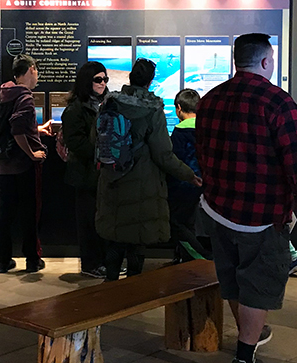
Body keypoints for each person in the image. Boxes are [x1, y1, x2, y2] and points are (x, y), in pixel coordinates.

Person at [196, 33, 297, 363]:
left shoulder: (210, 100)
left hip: (217, 210)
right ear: (266, 61)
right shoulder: (278, 103)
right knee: (259, 284)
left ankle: (252, 332)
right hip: (262, 217)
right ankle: (244, 360)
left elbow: (203, 154)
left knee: (233, 279)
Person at [96, 58, 198, 280]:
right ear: (150, 81)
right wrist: (189, 175)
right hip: (141, 183)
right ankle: (133, 288)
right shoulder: (152, 109)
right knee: (137, 239)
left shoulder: (111, 103)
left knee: (115, 237)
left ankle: (110, 285)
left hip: (113, 177)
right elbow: (163, 154)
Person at [0, 54, 51, 273]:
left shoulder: (6, 94)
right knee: (31, 212)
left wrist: (36, 130)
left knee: (5, 213)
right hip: (24, 166)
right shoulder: (25, 97)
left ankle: (2, 260)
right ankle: (32, 260)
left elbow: (13, 127)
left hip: (5, 164)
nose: (37, 76)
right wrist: (32, 153)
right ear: (31, 69)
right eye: (36, 71)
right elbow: (17, 129)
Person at [63, 62, 108, 278]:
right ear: (87, 81)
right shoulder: (75, 109)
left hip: (102, 173)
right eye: (98, 79)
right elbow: (74, 141)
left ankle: (103, 261)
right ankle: (91, 264)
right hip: (85, 173)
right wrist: (100, 151)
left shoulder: (106, 104)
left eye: (105, 79)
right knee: (88, 221)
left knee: (102, 219)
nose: (103, 83)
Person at [168, 88, 208, 264]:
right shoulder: (205, 129)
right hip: (203, 184)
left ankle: (200, 257)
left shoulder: (179, 132)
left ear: (178, 108)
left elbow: (173, 160)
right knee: (189, 223)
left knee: (176, 223)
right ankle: (187, 261)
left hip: (182, 186)